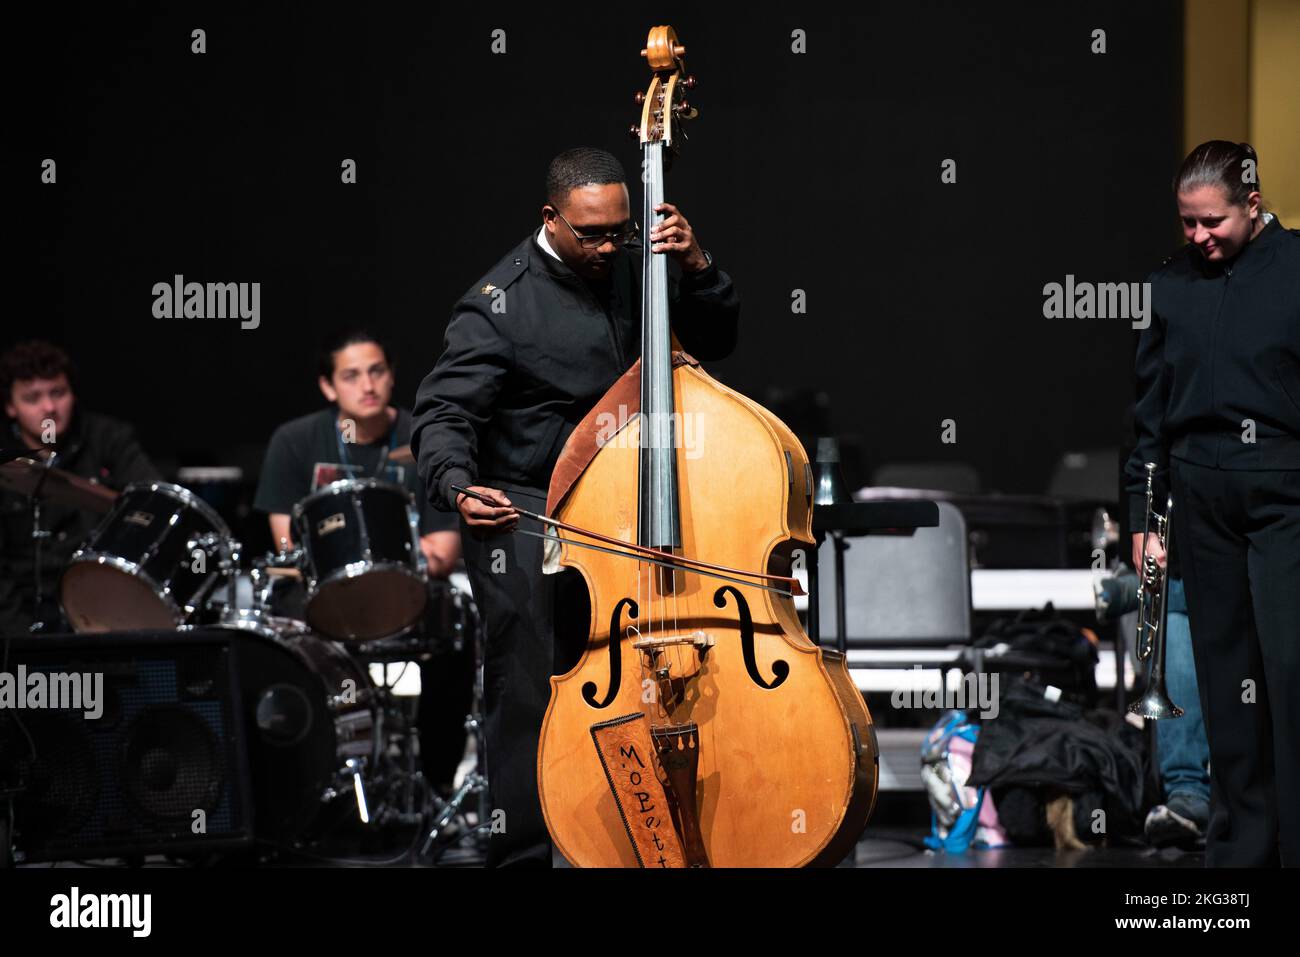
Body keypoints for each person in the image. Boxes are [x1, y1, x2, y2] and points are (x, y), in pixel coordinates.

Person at [411, 146, 740, 866]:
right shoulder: (498, 303)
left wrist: (697, 265)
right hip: (529, 511)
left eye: (618, 230)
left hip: (626, 506)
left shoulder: (634, 263)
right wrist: (458, 485)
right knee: (527, 692)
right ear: (551, 218)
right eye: (590, 232)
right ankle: (523, 855)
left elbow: (718, 340)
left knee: (643, 677)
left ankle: (636, 844)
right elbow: (440, 414)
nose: (606, 246)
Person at [1125, 140, 1300, 867]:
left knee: (1288, 673)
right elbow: (1147, 414)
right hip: (1202, 497)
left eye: (1212, 222)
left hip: (1286, 495)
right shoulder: (1170, 285)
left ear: (1252, 205)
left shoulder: (1294, 273)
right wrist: (1141, 516)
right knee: (1228, 683)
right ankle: (1242, 847)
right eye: (1187, 223)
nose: (1198, 237)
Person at [252, 328, 471, 794]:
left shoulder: (425, 437)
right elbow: (289, 550)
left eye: (376, 371)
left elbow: (444, 553)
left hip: (407, 600)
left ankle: (436, 788)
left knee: (459, 628)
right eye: (350, 376)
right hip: (325, 601)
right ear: (328, 387)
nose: (367, 385)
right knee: (276, 636)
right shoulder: (295, 441)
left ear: (391, 377)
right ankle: (309, 787)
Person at [0, 339, 159, 635]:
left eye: (58, 393)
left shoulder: (108, 439)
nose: (49, 408)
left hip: (107, 605)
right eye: (32, 398)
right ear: (11, 406)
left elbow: (154, 503)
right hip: (25, 613)